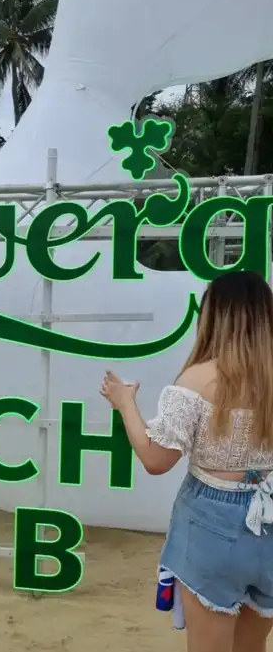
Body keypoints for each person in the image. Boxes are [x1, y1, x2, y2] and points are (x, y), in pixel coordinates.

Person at [100, 270, 273, 652]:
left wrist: (125, 404)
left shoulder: (196, 380)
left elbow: (155, 459)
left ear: (213, 316)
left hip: (212, 524)